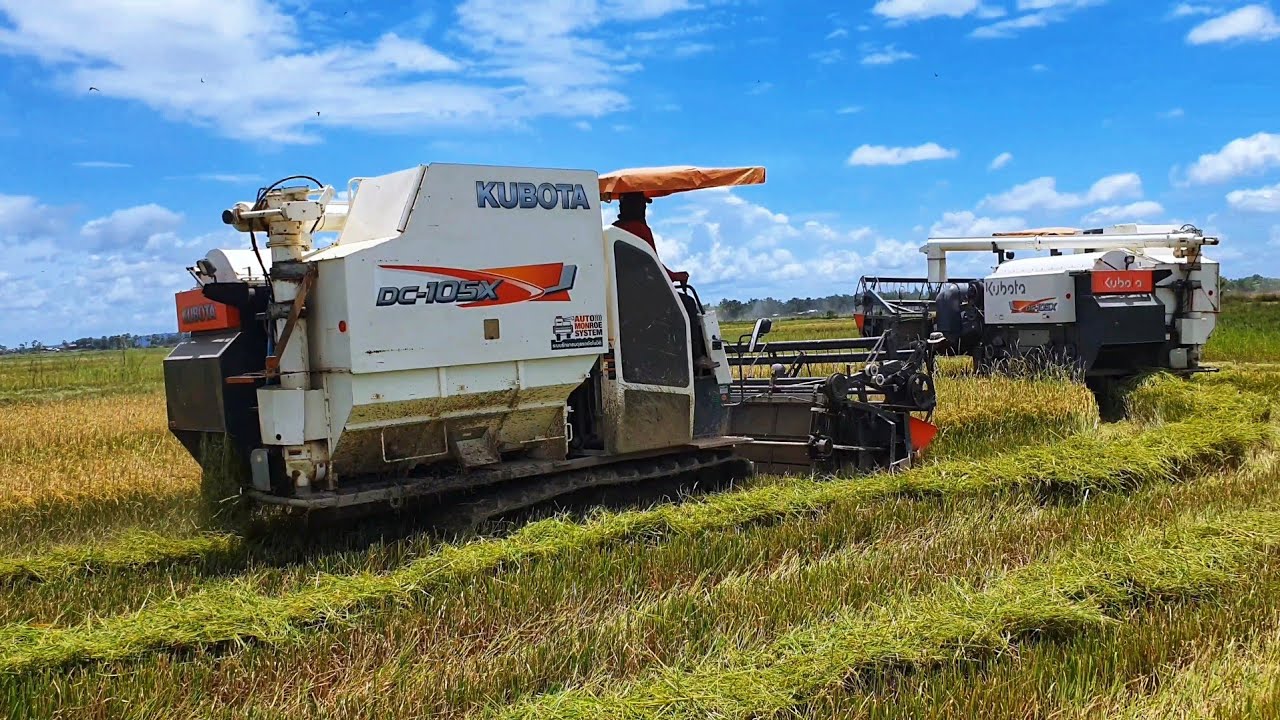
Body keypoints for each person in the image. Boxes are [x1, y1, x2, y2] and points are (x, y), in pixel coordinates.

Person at [612, 192, 690, 284]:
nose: (645, 209)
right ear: (637, 206)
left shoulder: (615, 228)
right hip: (640, 287)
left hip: (621, 286)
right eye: (643, 205)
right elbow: (653, 264)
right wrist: (674, 276)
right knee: (687, 299)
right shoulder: (640, 229)